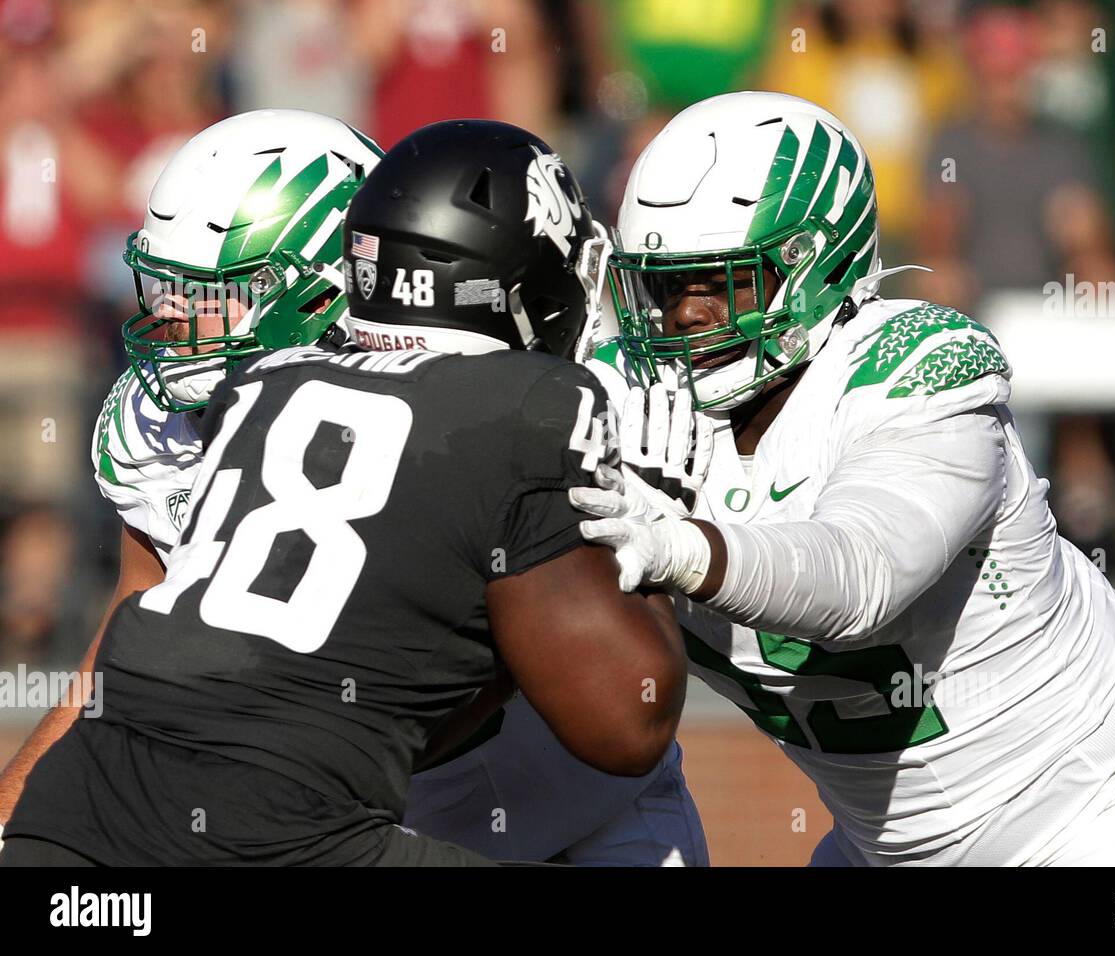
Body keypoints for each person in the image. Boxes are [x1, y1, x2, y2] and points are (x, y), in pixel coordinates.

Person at [579, 91, 1115, 866]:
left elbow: (860, 578)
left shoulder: (923, 366)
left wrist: (675, 548)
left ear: (811, 269)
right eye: (663, 286)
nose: (686, 315)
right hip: (886, 851)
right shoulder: (617, 397)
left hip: (1111, 812)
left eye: (719, 281)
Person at [0, 118, 687, 866]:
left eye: (208, 295)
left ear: (329, 287)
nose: (169, 320)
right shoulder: (166, 422)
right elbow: (121, 668)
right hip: (339, 809)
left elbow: (584, 683)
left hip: (553, 797)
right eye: (164, 287)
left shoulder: (518, 400)